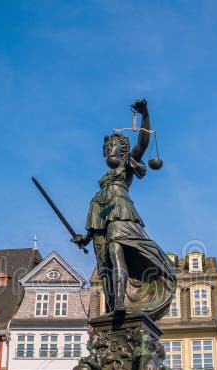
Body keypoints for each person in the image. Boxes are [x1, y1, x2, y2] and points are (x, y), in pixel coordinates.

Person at [72, 99, 176, 320]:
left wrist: (146, 113)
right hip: (101, 220)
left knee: (116, 251)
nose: (109, 149)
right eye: (107, 148)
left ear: (123, 149)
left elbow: (143, 143)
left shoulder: (128, 163)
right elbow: (100, 217)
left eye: (113, 146)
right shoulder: (105, 183)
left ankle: (120, 302)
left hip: (121, 214)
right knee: (106, 266)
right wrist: (86, 238)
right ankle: (114, 303)